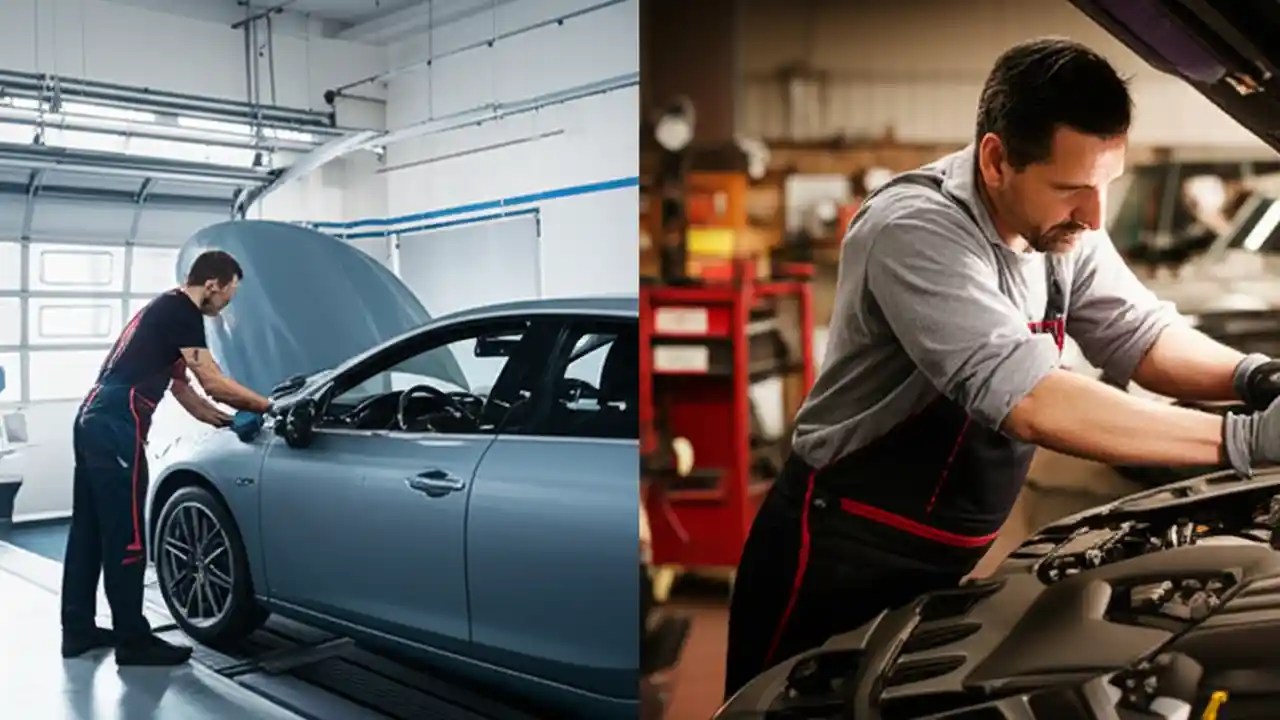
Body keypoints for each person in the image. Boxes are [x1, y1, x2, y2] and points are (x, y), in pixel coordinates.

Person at [723, 36, 1280, 698]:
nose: (1094, 215)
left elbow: (1140, 335)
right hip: (839, 555)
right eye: (1072, 188)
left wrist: (1255, 376)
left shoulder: (1066, 227)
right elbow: (1030, 398)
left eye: (1107, 185)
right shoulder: (915, 230)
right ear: (996, 160)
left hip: (942, 556)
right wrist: (1240, 440)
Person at [60, 249, 275, 665]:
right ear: (212, 284)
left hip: (91, 417)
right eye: (228, 295)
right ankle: (133, 641)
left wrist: (229, 423)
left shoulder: (163, 310)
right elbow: (213, 382)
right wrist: (271, 407)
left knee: (88, 531)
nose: (225, 305)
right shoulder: (182, 312)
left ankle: (78, 630)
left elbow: (185, 391)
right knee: (128, 535)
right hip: (117, 424)